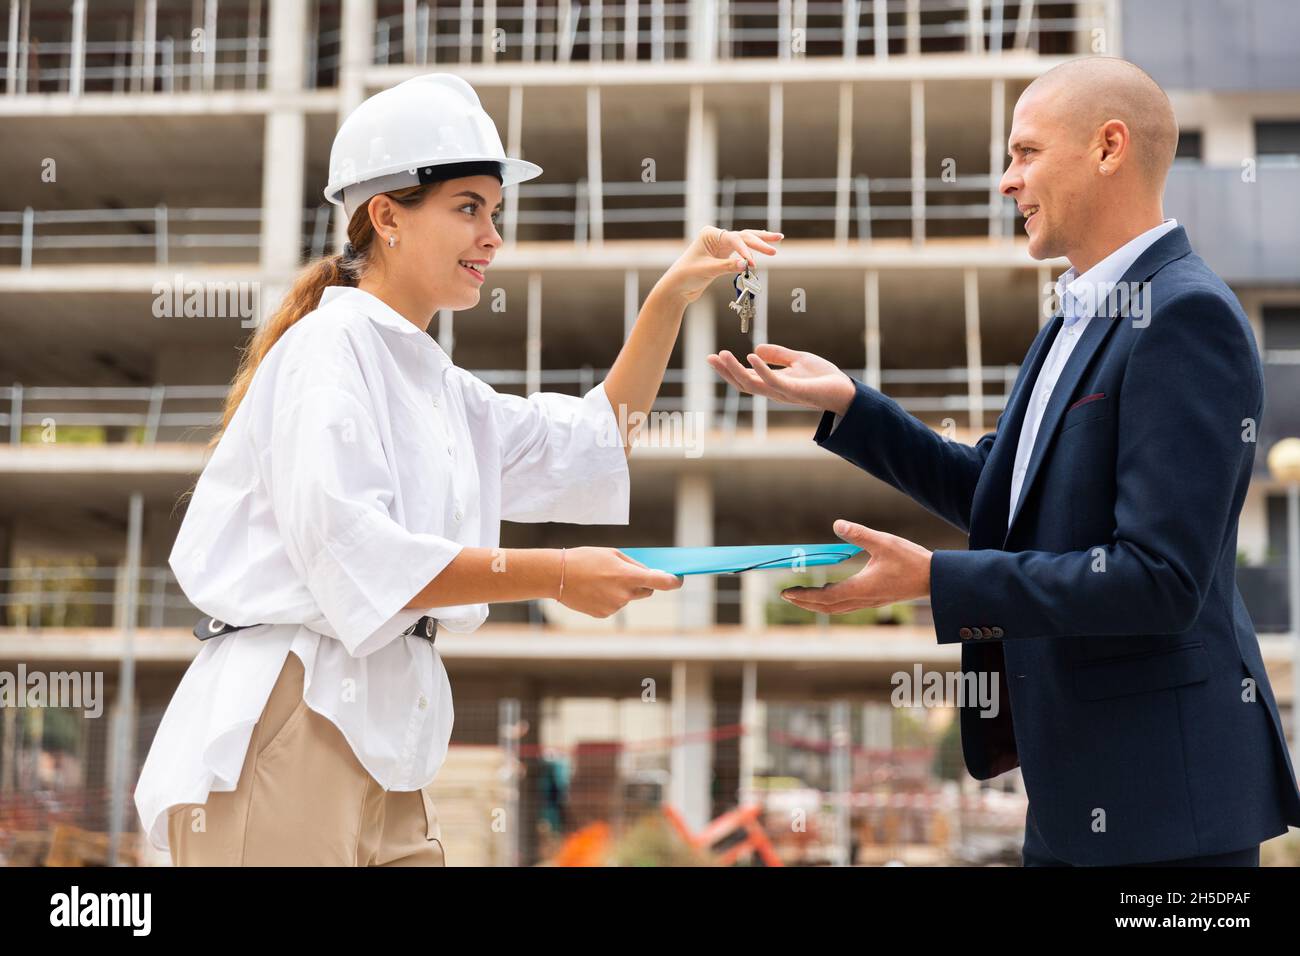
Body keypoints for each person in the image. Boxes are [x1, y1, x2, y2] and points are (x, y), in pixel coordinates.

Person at [134, 72, 782, 866]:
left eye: (494, 212)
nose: (492, 237)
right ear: (386, 217)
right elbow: (357, 554)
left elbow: (594, 439)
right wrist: (555, 574)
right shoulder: (327, 354)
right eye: (468, 208)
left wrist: (671, 298)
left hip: (382, 739)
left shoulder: (437, 386)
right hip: (293, 718)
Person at [707, 56, 1300, 867]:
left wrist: (936, 582)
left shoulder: (1187, 315)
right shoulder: (1074, 318)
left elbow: (1158, 580)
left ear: (1108, 147)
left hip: (1166, 812)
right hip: (1074, 801)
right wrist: (849, 403)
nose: (1005, 181)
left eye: (1025, 153)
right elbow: (1005, 496)